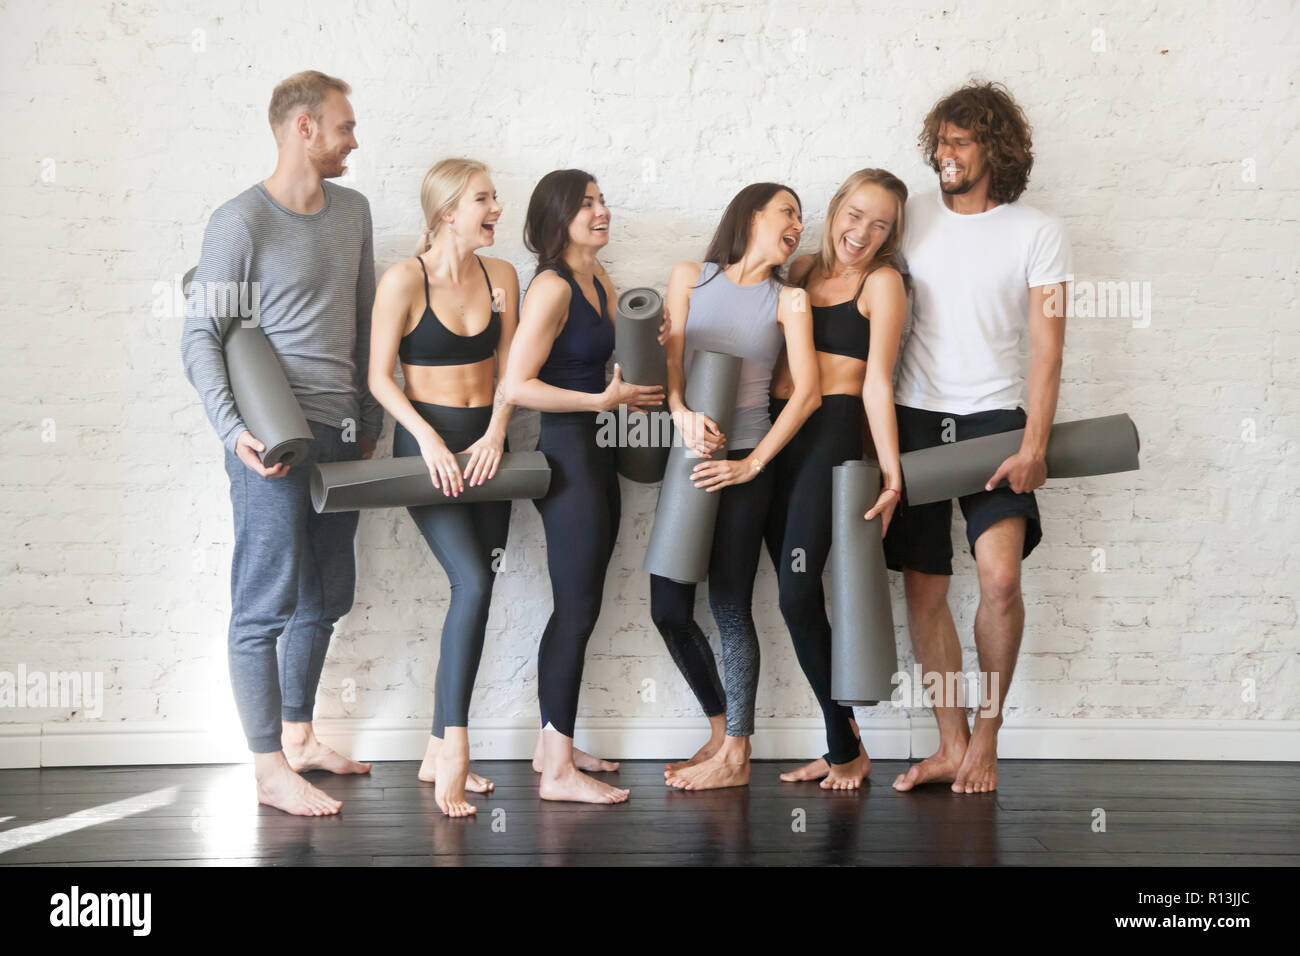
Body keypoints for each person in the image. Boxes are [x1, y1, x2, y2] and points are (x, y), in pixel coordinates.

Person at [181, 70, 379, 816]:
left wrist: (369, 420)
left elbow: (363, 324)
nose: (353, 140)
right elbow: (200, 336)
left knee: (327, 596)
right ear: (303, 127)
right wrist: (234, 433)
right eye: (344, 126)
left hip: (343, 433)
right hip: (270, 437)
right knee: (262, 604)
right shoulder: (241, 222)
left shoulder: (354, 212)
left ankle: (298, 735)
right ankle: (267, 768)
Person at [886, 81, 1072, 794]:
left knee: (999, 580)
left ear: (996, 147)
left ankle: (986, 737)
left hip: (997, 423)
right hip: (913, 419)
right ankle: (949, 743)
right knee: (925, 590)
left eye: (960, 141)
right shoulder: (912, 220)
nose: (944, 154)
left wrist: (1034, 444)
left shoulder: (1038, 232)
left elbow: (1049, 349)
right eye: (940, 140)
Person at [501, 170, 665, 803]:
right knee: (575, 611)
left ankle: (553, 745)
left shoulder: (600, 278)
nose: (602, 210)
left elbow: (611, 368)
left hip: (598, 453)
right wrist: (602, 399)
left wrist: (652, 346)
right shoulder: (551, 286)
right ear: (557, 216)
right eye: (587, 203)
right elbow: (517, 386)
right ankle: (559, 775)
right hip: (568, 455)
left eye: (602, 199)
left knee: (583, 606)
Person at [651, 183, 821, 791]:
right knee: (667, 607)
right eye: (788, 211)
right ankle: (722, 728)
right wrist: (680, 413)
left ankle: (738, 754)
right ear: (752, 215)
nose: (798, 224)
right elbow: (672, 368)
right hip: (688, 456)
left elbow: (808, 393)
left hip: (746, 461)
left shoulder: (790, 300)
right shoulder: (689, 277)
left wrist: (752, 466)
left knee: (728, 604)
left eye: (801, 217)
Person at [368, 158, 519, 817]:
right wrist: (428, 438)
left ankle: (434, 746)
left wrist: (497, 432)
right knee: (474, 583)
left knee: (480, 590)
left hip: (490, 454)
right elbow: (378, 378)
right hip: (428, 456)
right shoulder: (404, 279)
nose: (497, 209)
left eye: (496, 198)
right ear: (448, 209)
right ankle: (457, 747)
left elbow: (512, 369)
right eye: (485, 199)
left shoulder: (502, 276)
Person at [764, 169, 908, 790]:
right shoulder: (799, 274)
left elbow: (879, 381)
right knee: (795, 597)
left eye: (880, 224)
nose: (863, 232)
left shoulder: (882, 283)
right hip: (779, 431)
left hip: (835, 434)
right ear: (836, 210)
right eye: (855, 215)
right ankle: (839, 737)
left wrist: (892, 472)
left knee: (796, 593)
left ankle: (845, 744)